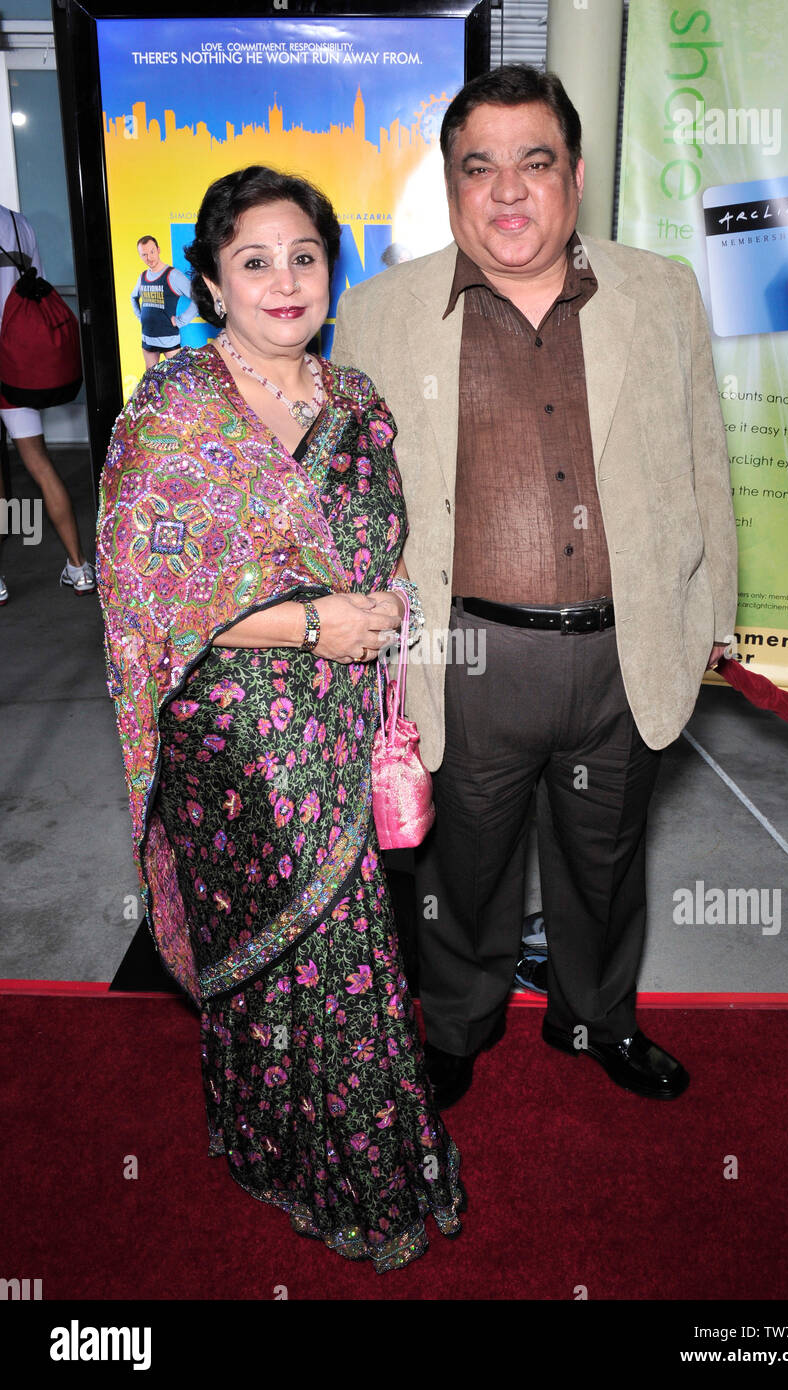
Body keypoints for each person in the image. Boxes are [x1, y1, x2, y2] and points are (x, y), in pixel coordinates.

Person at [332, 65, 738, 1108]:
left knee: (604, 864)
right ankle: (458, 1027)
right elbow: (345, 494)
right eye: (479, 166)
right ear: (451, 183)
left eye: (533, 161)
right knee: (461, 871)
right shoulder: (376, 315)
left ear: (576, 174)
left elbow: (705, 462)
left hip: (622, 649)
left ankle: (594, 1017)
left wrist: (712, 620)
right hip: (467, 657)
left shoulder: (660, 292)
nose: (507, 191)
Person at [96, 166, 464, 1272]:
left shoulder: (356, 404)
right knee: (269, 955)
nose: (284, 278)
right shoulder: (170, 414)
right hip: (233, 743)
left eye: (303, 253)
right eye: (253, 259)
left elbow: (386, 541)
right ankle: (273, 1143)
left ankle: (360, 1164)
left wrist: (385, 606)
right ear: (210, 282)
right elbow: (147, 598)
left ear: (329, 270)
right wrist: (313, 626)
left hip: (342, 727)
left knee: (353, 951)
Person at [0, 204, 95, 603]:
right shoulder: (17, 223)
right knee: (39, 464)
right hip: (15, 362)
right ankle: (79, 568)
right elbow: (32, 282)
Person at [131, 235, 197, 368]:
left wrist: (181, 320)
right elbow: (133, 297)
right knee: (150, 381)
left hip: (168, 338)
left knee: (176, 379)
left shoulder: (173, 275)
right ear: (140, 256)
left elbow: (197, 297)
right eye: (144, 254)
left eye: (152, 252)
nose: (149, 257)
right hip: (148, 337)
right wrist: (140, 316)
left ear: (158, 250)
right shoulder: (142, 276)